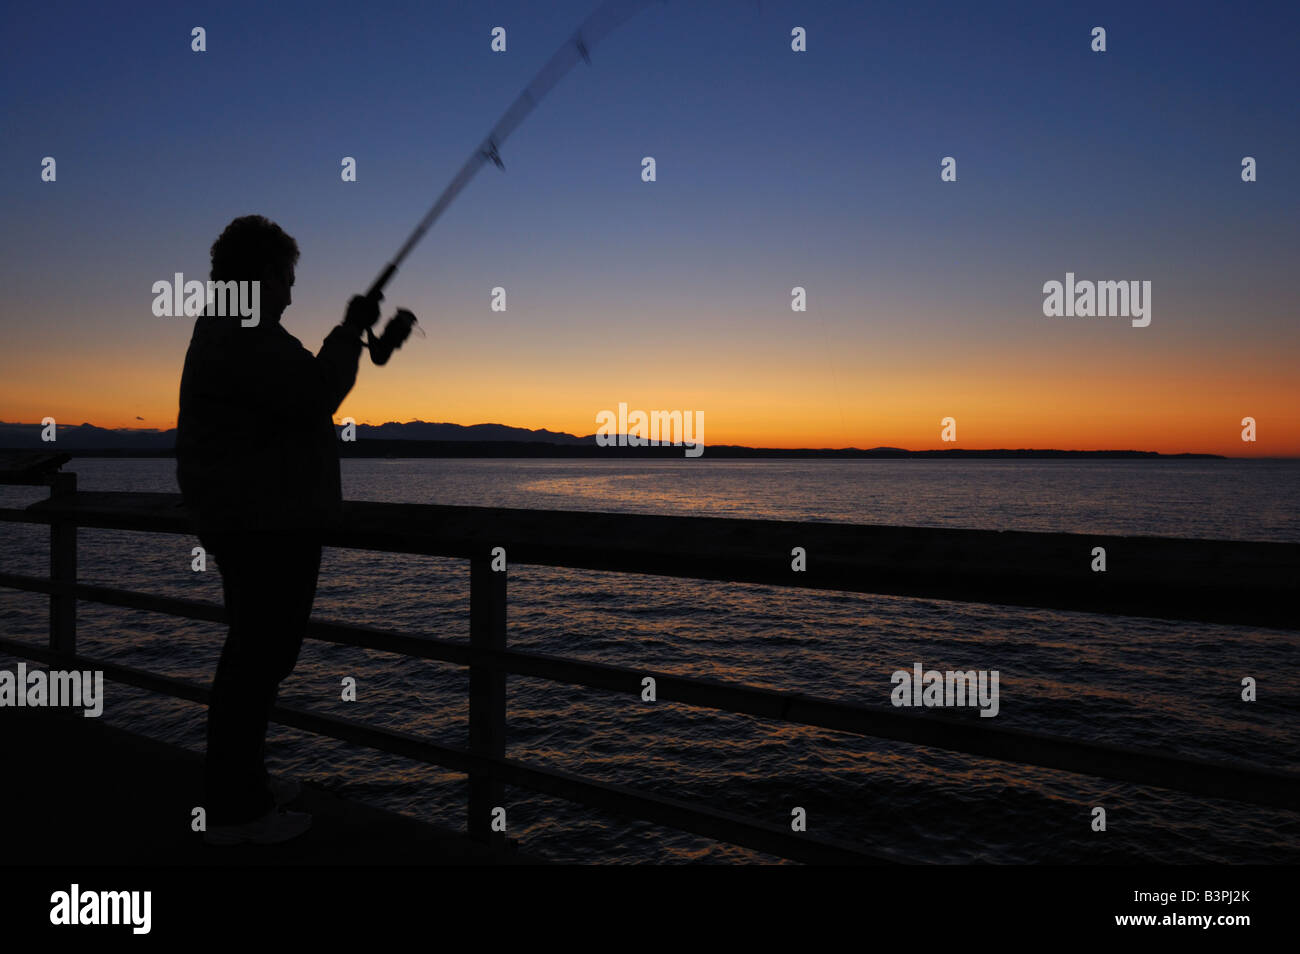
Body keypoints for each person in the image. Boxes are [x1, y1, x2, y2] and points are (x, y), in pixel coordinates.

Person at [176, 214, 390, 845]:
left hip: (250, 519)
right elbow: (316, 390)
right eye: (287, 278)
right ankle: (237, 812)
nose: (292, 292)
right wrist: (351, 328)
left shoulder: (232, 329)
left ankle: (244, 786)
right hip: (262, 524)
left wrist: (351, 332)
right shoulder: (244, 334)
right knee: (256, 662)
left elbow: (302, 392)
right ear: (260, 275)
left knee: (254, 659)